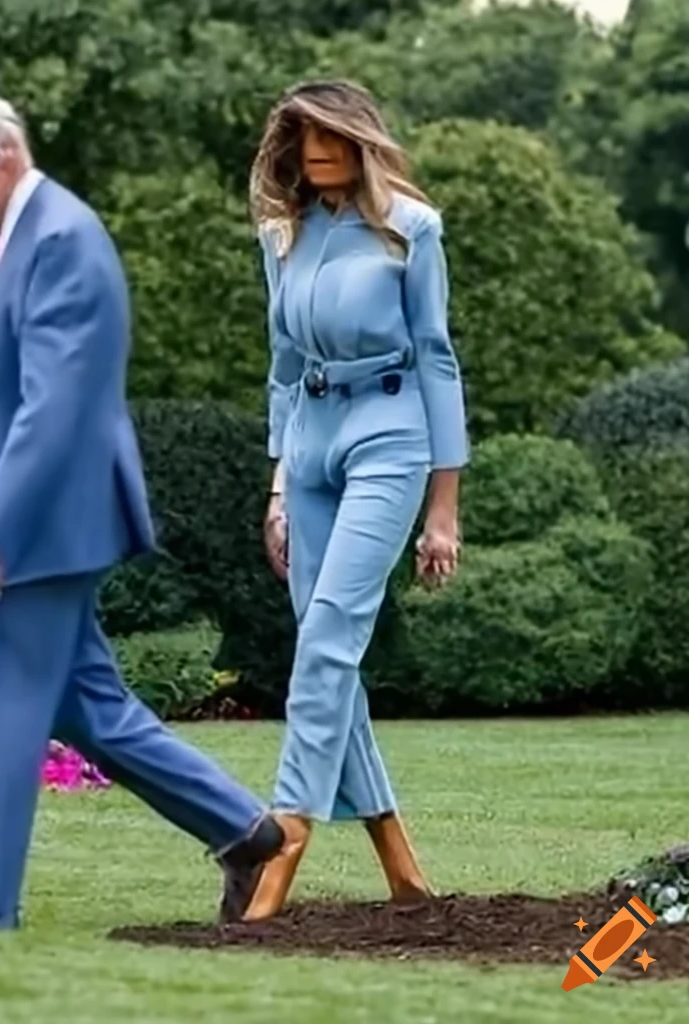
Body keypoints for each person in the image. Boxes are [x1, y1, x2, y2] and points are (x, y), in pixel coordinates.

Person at [0, 90, 286, 930]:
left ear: (3, 151)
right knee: (89, 709)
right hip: (38, 522)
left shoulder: (62, 238)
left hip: (41, 526)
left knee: (4, 708)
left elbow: (56, 408)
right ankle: (243, 829)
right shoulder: (12, 238)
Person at [232, 80, 469, 922]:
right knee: (326, 653)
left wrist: (444, 507)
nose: (315, 151)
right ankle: (400, 863)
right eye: (300, 138)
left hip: (390, 434)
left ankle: (285, 828)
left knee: (332, 633)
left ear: (362, 142)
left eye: (329, 136)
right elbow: (282, 369)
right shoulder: (282, 236)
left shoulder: (413, 230)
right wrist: (277, 489)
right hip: (308, 449)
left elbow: (438, 361)